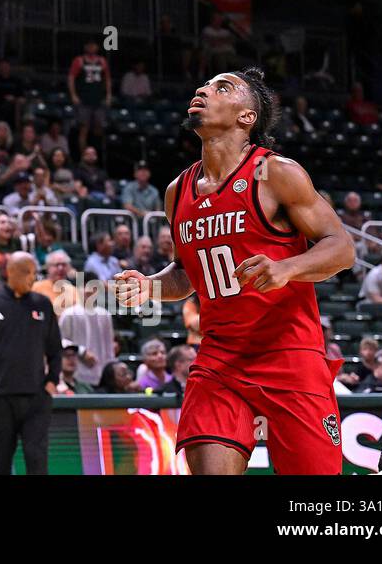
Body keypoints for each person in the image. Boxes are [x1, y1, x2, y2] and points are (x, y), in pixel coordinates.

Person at [115, 67, 354, 475]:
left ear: (247, 117)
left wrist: (286, 268)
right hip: (219, 358)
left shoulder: (277, 174)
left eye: (221, 87)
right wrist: (151, 286)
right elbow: (187, 274)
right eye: (204, 85)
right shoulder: (178, 191)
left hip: (289, 353)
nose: (203, 89)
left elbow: (342, 247)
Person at [0, 252, 61, 475]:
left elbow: (56, 349)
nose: (32, 278)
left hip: (36, 398)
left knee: (37, 460)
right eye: (27, 272)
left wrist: (52, 382)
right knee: (1, 461)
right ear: (10, 272)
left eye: (35, 273)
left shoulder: (43, 304)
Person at [67, 41, 111, 153]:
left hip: (98, 99)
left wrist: (109, 95)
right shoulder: (79, 60)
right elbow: (71, 78)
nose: (91, 47)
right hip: (84, 99)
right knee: (84, 129)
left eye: (94, 45)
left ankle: (96, 152)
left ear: (97, 47)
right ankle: (83, 156)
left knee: (99, 128)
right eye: (89, 45)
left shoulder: (102, 61)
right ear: (85, 47)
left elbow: (107, 79)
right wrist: (73, 95)